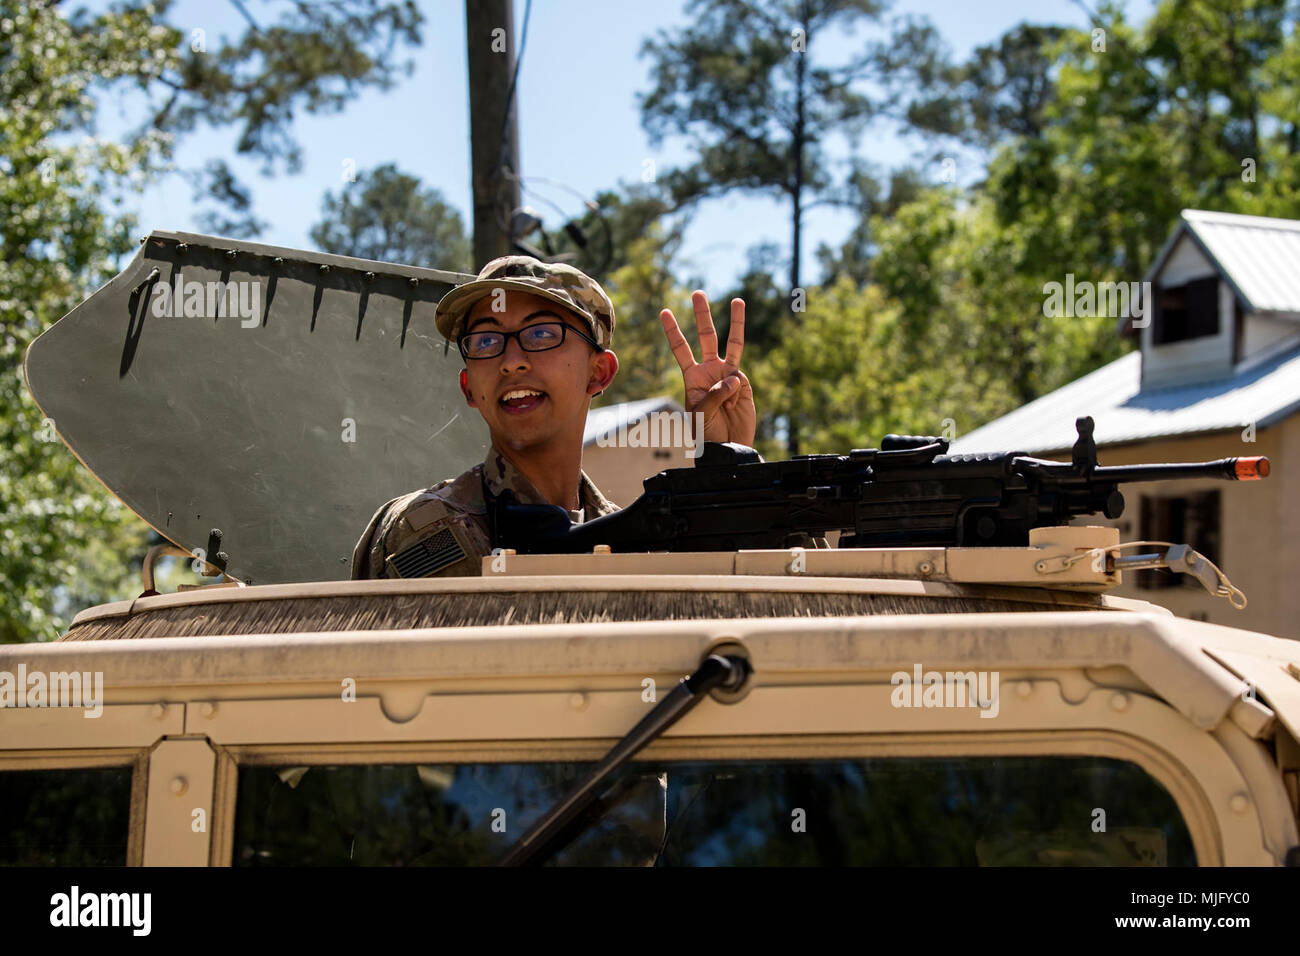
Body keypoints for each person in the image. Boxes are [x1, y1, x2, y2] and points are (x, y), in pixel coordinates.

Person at [351, 255, 755, 579]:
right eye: (487, 340)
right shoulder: (431, 527)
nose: (511, 362)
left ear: (599, 373)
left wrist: (727, 471)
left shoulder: (632, 538)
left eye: (541, 333)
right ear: (470, 388)